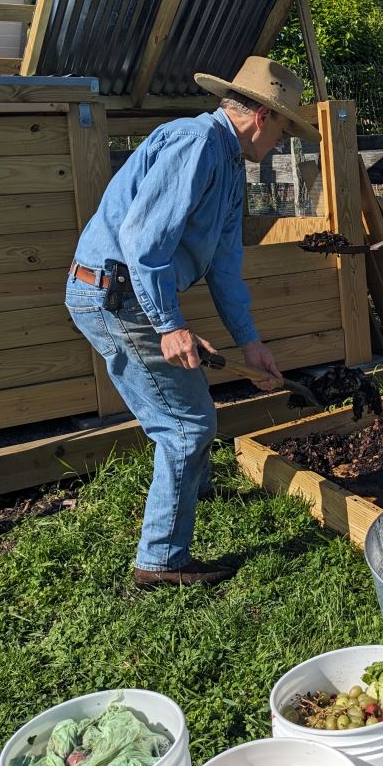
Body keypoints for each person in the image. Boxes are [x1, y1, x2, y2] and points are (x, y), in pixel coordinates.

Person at [65, 57, 316, 588]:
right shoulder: (196, 142)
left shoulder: (228, 165)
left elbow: (224, 264)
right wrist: (168, 325)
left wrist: (250, 344)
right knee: (185, 424)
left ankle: (191, 491)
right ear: (261, 118)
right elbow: (142, 240)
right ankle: (160, 560)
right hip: (115, 294)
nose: (280, 142)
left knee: (187, 400)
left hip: (126, 292)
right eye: (283, 130)